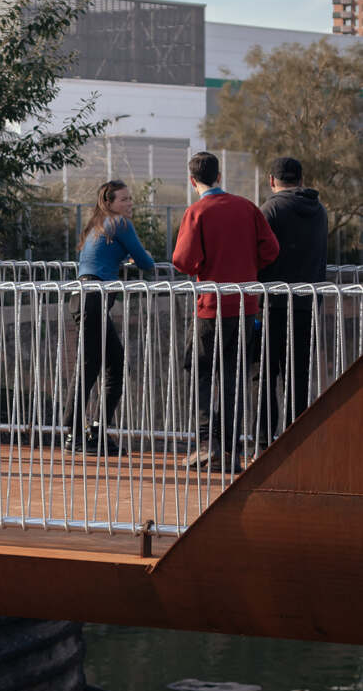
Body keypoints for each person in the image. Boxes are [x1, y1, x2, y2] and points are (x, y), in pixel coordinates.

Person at [171, 152, 279, 473]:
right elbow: (271, 250)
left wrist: (207, 265)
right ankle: (231, 449)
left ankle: (207, 445)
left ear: (193, 181)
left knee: (202, 372)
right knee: (234, 377)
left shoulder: (197, 212)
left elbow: (182, 260)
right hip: (246, 306)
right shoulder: (247, 207)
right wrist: (247, 266)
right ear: (219, 176)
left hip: (210, 306)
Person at [68, 180, 156, 453]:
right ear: (109, 203)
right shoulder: (119, 223)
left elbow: (105, 259)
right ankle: (76, 434)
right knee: (92, 368)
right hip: (92, 299)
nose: (129, 203)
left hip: (86, 297)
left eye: (130, 199)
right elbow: (147, 264)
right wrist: (142, 259)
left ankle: (93, 433)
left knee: (110, 366)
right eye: (123, 199)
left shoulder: (99, 224)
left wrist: (124, 262)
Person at [260, 155, 328, 437]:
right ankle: (296, 440)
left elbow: (260, 255)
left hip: (273, 304)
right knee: (298, 376)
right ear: (301, 180)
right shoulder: (320, 210)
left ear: (272, 181)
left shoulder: (270, 210)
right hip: (308, 303)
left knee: (264, 375)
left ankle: (264, 441)